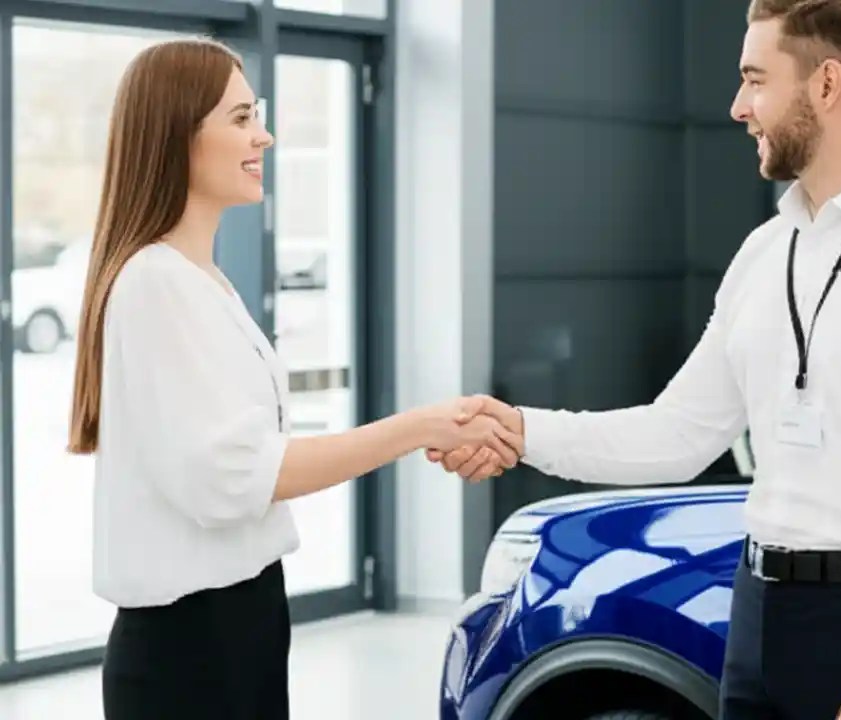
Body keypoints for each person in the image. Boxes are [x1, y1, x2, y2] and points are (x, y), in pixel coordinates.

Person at [431, 1, 841, 718]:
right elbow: (679, 432)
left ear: (827, 85)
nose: (740, 107)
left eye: (756, 80)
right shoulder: (764, 253)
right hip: (758, 617)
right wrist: (520, 430)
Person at [65, 38, 519, 720]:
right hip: (192, 648)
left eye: (259, 115)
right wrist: (421, 426)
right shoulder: (156, 284)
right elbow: (244, 476)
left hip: (237, 624)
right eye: (241, 118)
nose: (265, 136)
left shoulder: (199, 280)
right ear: (177, 135)